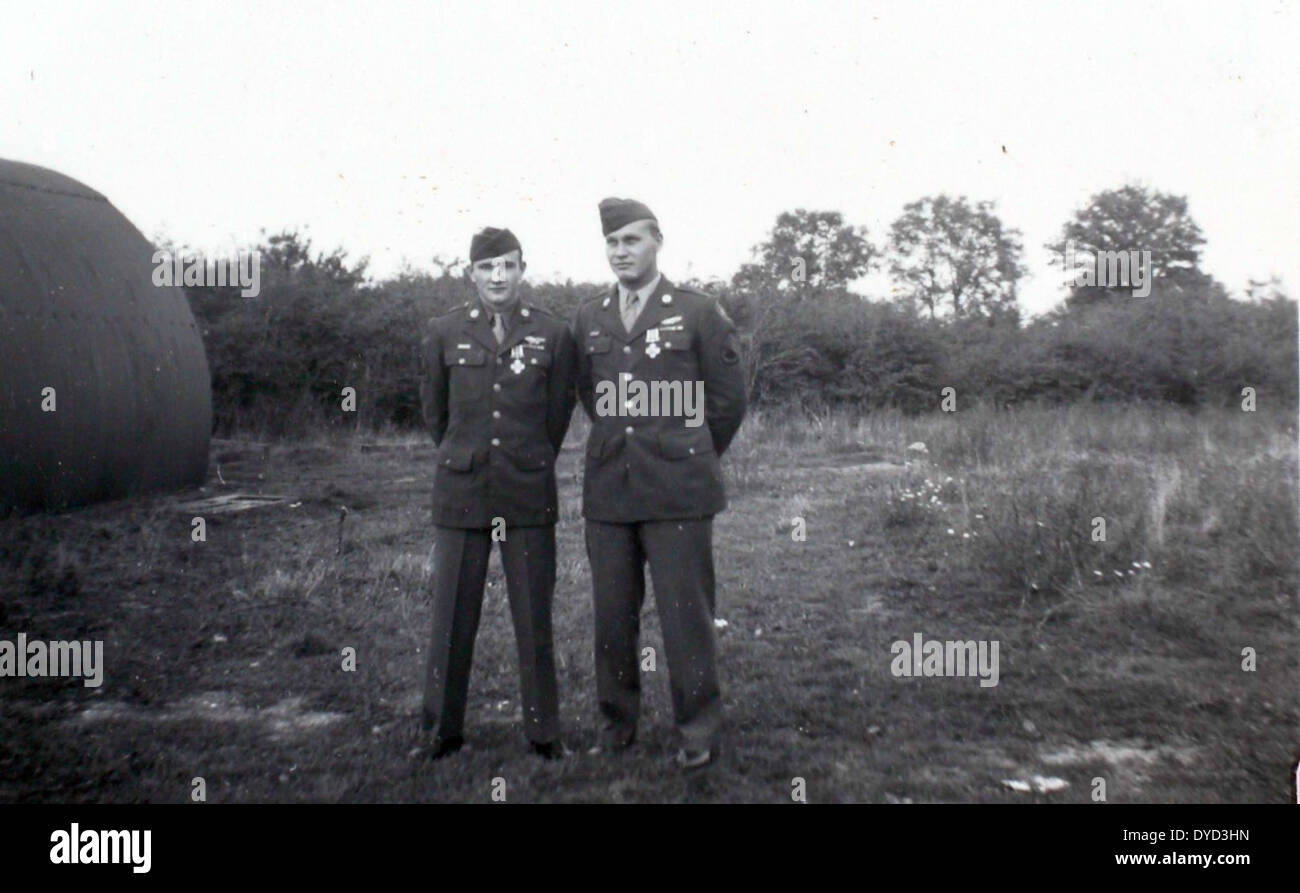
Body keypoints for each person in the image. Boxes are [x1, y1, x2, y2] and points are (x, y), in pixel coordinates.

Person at [571, 198, 747, 770]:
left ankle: (698, 728)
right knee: (612, 617)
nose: (621, 252)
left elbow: (726, 402)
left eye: (632, 241)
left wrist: (689, 451)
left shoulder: (698, 312)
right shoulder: (589, 316)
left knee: (685, 615)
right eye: (613, 243)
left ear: (657, 242)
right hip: (610, 489)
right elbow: (590, 396)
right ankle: (615, 725)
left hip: (678, 490)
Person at [418, 226, 577, 760]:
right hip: (463, 488)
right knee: (451, 617)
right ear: (472, 273)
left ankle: (543, 733)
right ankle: (441, 731)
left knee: (533, 616)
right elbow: (436, 416)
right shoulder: (443, 332)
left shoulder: (553, 333)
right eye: (487, 267)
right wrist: (466, 455)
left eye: (508, 265)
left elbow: (556, 418)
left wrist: (524, 457)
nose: (498, 276)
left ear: (522, 270)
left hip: (526, 489)